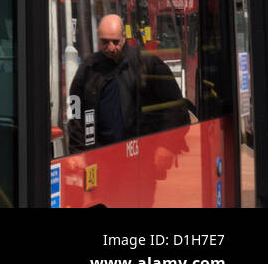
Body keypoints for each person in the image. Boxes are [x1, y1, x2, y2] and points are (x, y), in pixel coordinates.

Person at [67, 13, 189, 164]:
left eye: (115, 42)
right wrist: (77, 152)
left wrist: (166, 146)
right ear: (98, 39)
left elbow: (176, 107)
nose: (110, 47)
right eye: (105, 42)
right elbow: (75, 112)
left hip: (141, 156)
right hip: (101, 157)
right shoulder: (89, 68)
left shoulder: (147, 64)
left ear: (123, 38)